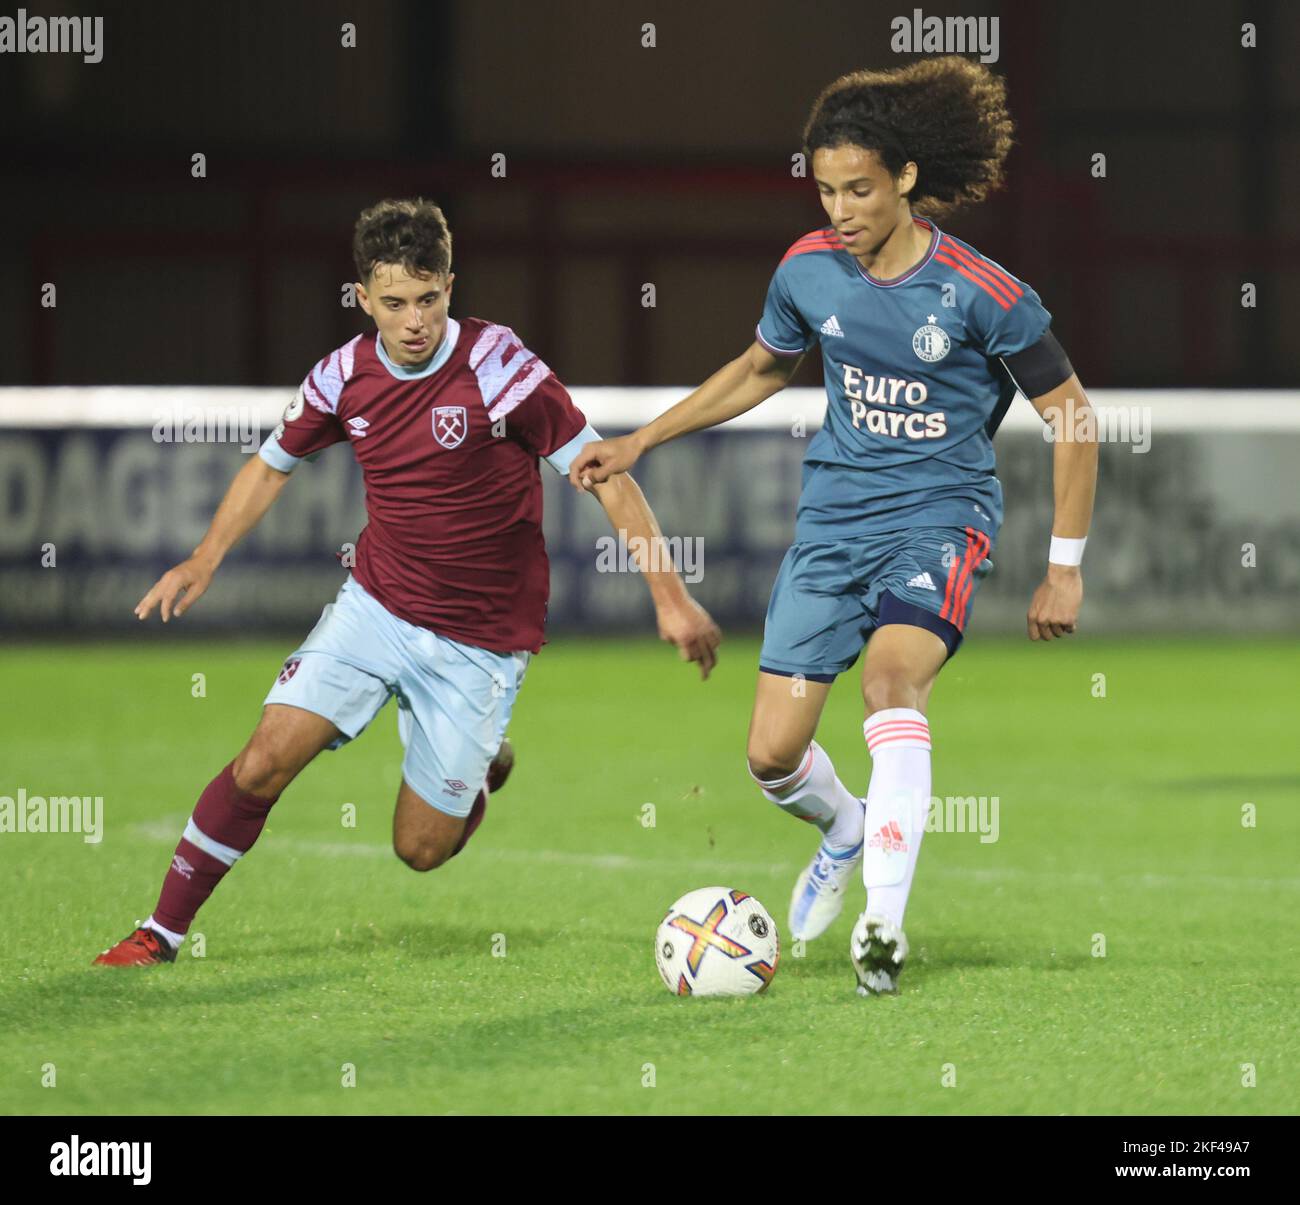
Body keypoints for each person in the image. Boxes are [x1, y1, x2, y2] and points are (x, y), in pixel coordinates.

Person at [569, 57, 1098, 995]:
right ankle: (844, 828)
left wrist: (1065, 565)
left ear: (904, 179)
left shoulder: (985, 293)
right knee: (770, 754)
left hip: (941, 517)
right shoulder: (809, 269)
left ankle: (881, 927)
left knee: (893, 684)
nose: (841, 208)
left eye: (859, 188)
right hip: (833, 524)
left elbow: (1074, 418)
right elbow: (763, 367)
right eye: (824, 189)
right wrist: (644, 438)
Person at [95, 198, 721, 967]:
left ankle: (483, 772)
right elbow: (269, 465)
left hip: (482, 641)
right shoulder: (341, 377)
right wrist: (204, 556)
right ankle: (158, 933)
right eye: (394, 303)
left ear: (451, 286)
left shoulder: (502, 369)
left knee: (420, 850)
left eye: (428, 299)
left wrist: (670, 594)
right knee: (263, 758)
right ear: (363, 298)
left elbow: (606, 477)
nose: (414, 320)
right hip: (377, 606)